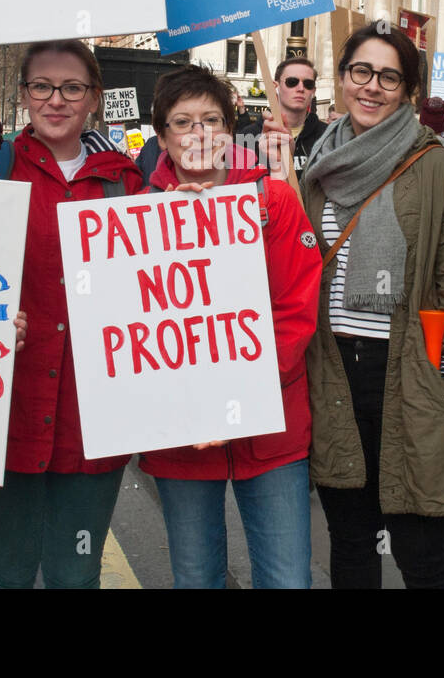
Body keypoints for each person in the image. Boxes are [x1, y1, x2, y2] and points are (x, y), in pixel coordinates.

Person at [288, 21, 444, 589]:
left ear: (408, 91)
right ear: (343, 79)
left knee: (420, 548)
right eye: (361, 72)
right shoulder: (317, 168)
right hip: (332, 372)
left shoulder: (435, 165)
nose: (372, 87)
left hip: (412, 373)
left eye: (389, 77)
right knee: (350, 546)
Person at [0, 39, 145, 589]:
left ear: (94, 98)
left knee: (76, 574)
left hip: (90, 422)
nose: (56, 100)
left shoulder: (125, 183)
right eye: (42, 86)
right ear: (22, 95)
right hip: (4, 413)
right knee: (4, 574)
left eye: (72, 87)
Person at [138, 65, 321, 588]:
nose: (200, 134)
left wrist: (234, 395)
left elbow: (295, 312)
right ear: (162, 137)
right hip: (182, 435)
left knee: (287, 579)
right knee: (196, 577)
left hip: (270, 428)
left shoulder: (274, 200)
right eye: (183, 122)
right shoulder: (137, 219)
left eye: (212, 120)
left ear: (230, 128)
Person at [238, 57, 327, 176]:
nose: (300, 89)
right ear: (275, 86)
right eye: (292, 82)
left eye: (308, 84)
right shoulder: (246, 137)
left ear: (313, 91)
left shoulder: (328, 136)